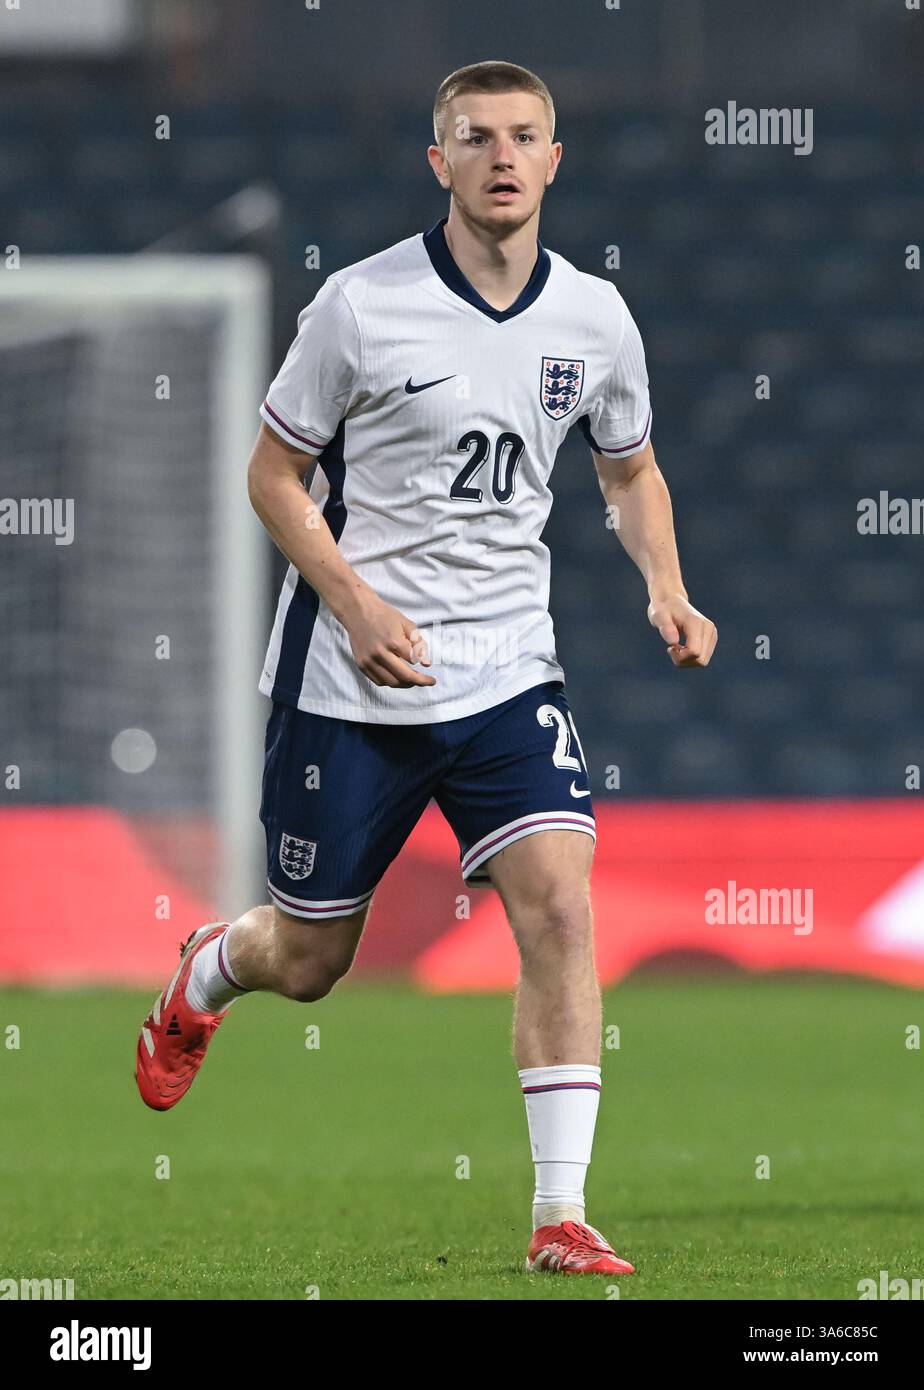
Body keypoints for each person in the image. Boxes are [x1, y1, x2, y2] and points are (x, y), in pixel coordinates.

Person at [135, 59, 717, 1277]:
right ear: (437, 162)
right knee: (311, 962)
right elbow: (272, 476)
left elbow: (630, 471)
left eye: (523, 138)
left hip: (509, 667)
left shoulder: (595, 319)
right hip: (354, 679)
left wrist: (664, 584)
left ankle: (558, 1211)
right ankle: (206, 970)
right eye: (474, 138)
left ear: (555, 162)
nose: (501, 157)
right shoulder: (359, 306)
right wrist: (351, 601)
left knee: (560, 901)